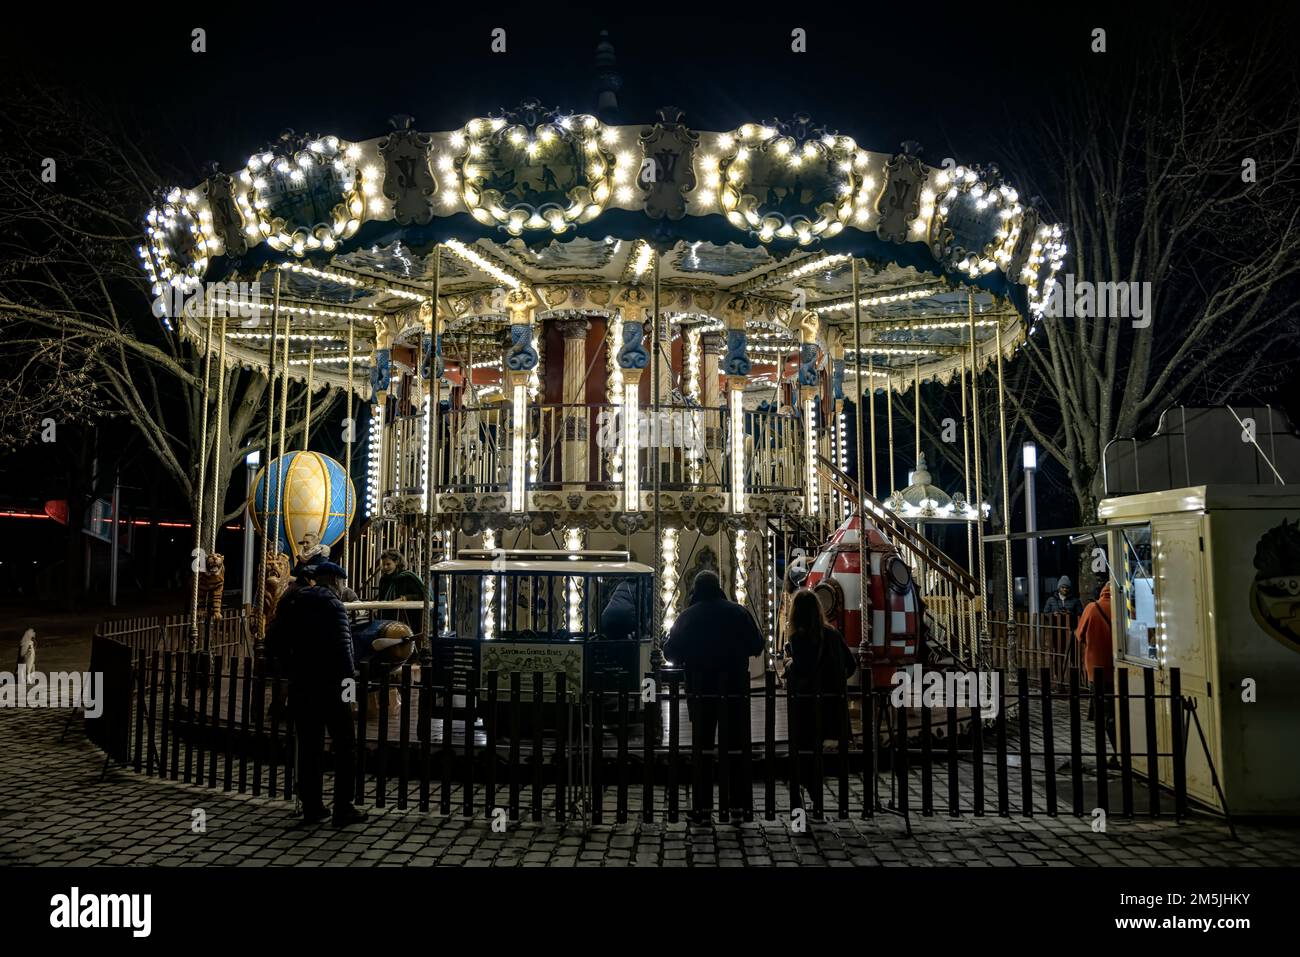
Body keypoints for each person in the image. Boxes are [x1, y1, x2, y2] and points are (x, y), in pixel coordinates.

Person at [265, 560, 368, 828]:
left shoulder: (293, 601)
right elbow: (344, 651)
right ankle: (343, 807)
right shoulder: (333, 605)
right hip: (331, 685)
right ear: (335, 581)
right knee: (345, 746)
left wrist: (289, 666)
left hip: (301, 684)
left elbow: (273, 638)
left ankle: (312, 807)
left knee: (309, 747)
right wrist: (350, 691)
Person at [663, 570, 765, 824]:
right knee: (735, 747)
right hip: (734, 689)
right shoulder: (738, 612)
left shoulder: (687, 617)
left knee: (703, 748)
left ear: (695, 588)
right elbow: (757, 645)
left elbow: (670, 653)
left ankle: (703, 808)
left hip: (701, 689)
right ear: (719, 586)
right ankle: (738, 806)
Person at [784, 588, 857, 806]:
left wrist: (790, 664)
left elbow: (804, 668)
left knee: (804, 747)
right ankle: (814, 790)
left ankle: (805, 788)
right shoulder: (833, 634)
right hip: (831, 701)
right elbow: (851, 666)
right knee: (815, 747)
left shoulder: (798, 638)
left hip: (807, 702)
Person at [1076, 581, 1117, 758]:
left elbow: (1080, 635)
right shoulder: (1121, 609)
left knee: (1103, 712)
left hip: (1096, 668)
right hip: (1116, 668)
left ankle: (1110, 749)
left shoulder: (1092, 608)